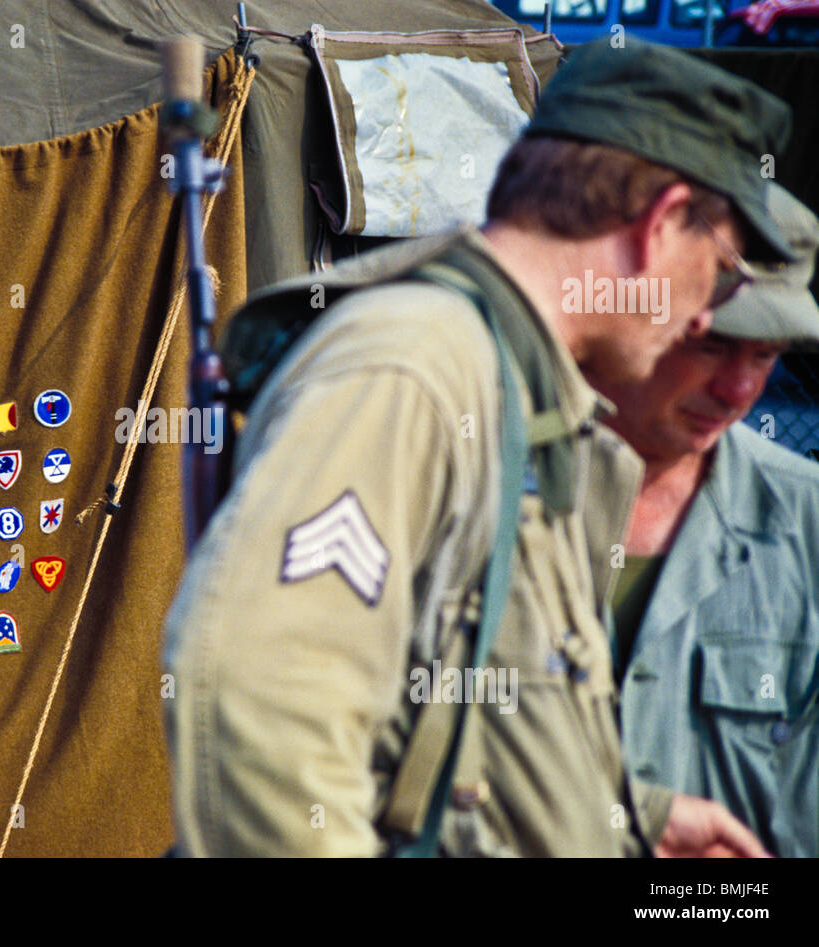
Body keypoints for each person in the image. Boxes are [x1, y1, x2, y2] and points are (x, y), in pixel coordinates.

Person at [161, 38, 799, 856]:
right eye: (719, 270)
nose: (708, 315)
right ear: (661, 225)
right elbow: (263, 695)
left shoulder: (520, 390)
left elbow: (477, 706)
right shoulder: (418, 365)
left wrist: (630, 814)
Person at [594, 183, 819, 858]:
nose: (740, 390)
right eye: (714, 345)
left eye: (766, 354)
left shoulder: (805, 523)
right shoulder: (487, 500)